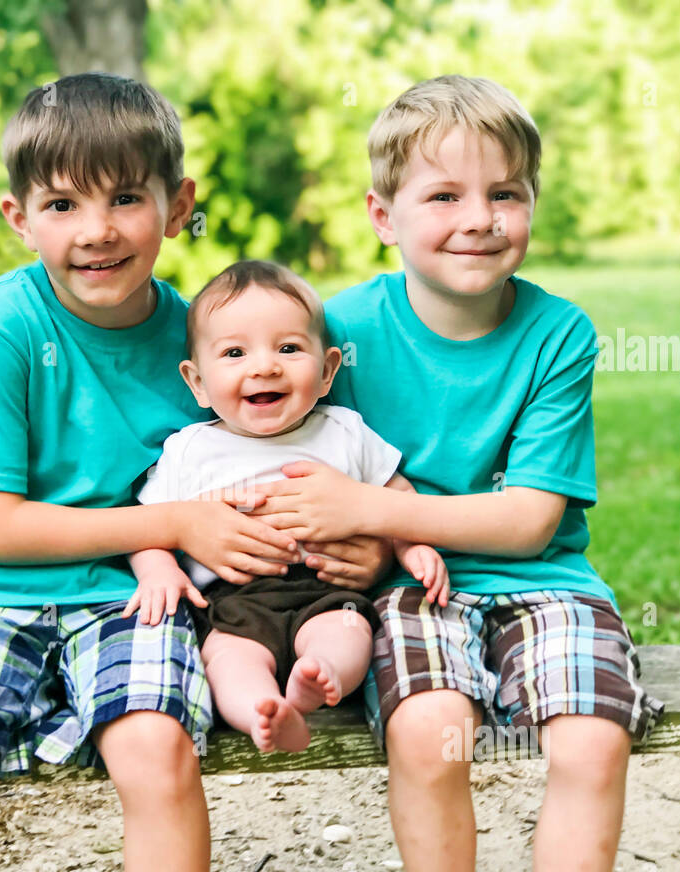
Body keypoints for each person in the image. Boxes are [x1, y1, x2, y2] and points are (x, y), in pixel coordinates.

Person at [0, 73, 391, 872]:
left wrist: (369, 543)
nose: (96, 229)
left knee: (155, 751)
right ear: (19, 216)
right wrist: (180, 521)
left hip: (136, 601)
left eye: (126, 197)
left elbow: (316, 458)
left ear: (178, 206)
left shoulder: (210, 338)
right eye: (62, 202)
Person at [250, 75, 665, 872]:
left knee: (593, 736)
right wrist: (339, 540)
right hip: (410, 592)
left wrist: (371, 508)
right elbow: (280, 462)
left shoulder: (559, 333)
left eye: (504, 193)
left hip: (543, 581)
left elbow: (527, 521)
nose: (479, 218)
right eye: (444, 195)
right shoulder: (336, 332)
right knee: (427, 730)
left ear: (530, 205)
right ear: (382, 214)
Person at [127, 260, 449, 754]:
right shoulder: (189, 449)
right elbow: (147, 527)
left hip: (325, 591)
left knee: (347, 636)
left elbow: (395, 495)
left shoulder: (343, 431)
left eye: (289, 348)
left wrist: (412, 546)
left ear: (326, 371)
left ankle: (314, 681)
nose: (264, 366)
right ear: (197, 382)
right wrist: (155, 573)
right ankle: (264, 711)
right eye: (235, 352)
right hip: (233, 604)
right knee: (227, 661)